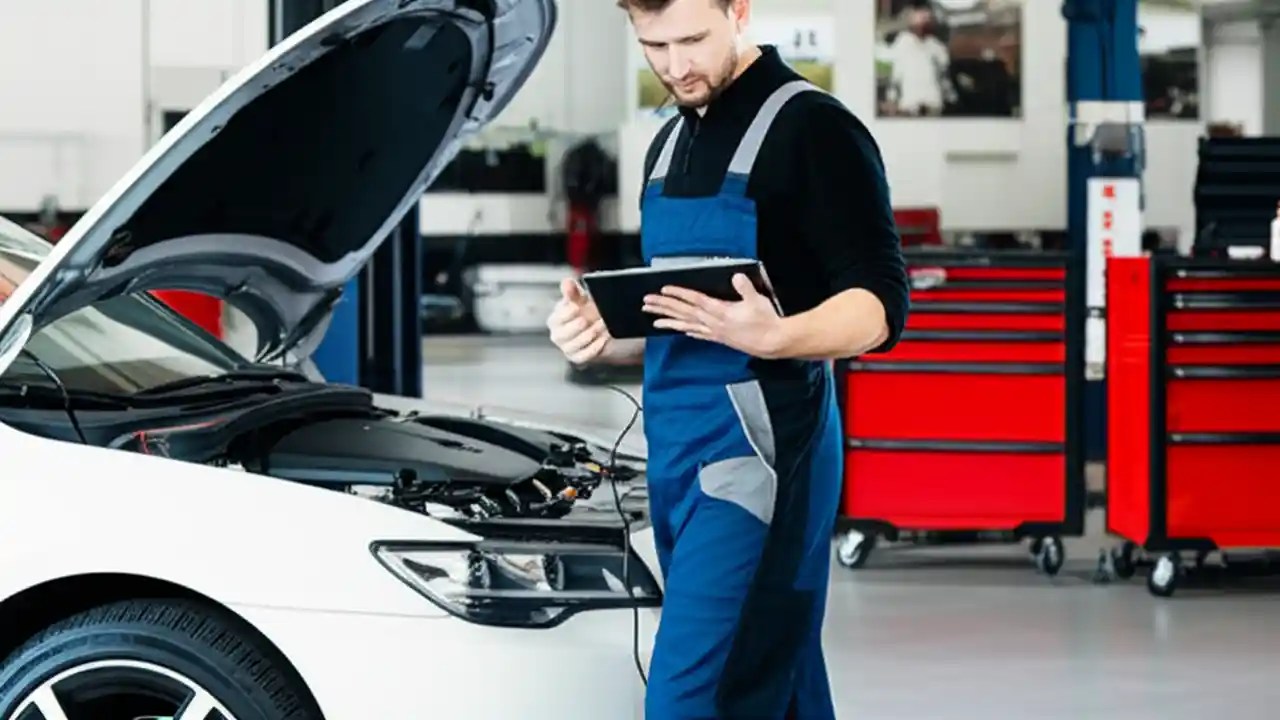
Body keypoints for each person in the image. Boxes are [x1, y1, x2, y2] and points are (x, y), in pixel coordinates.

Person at [546, 0, 909, 717]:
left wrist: (775, 336)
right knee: (777, 669)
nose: (676, 65)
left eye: (693, 39)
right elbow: (683, 313)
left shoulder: (813, 128)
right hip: (676, 457)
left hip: (764, 455)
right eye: (655, 44)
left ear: (738, 11)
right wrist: (604, 332)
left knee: (693, 697)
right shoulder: (666, 147)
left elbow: (880, 306)